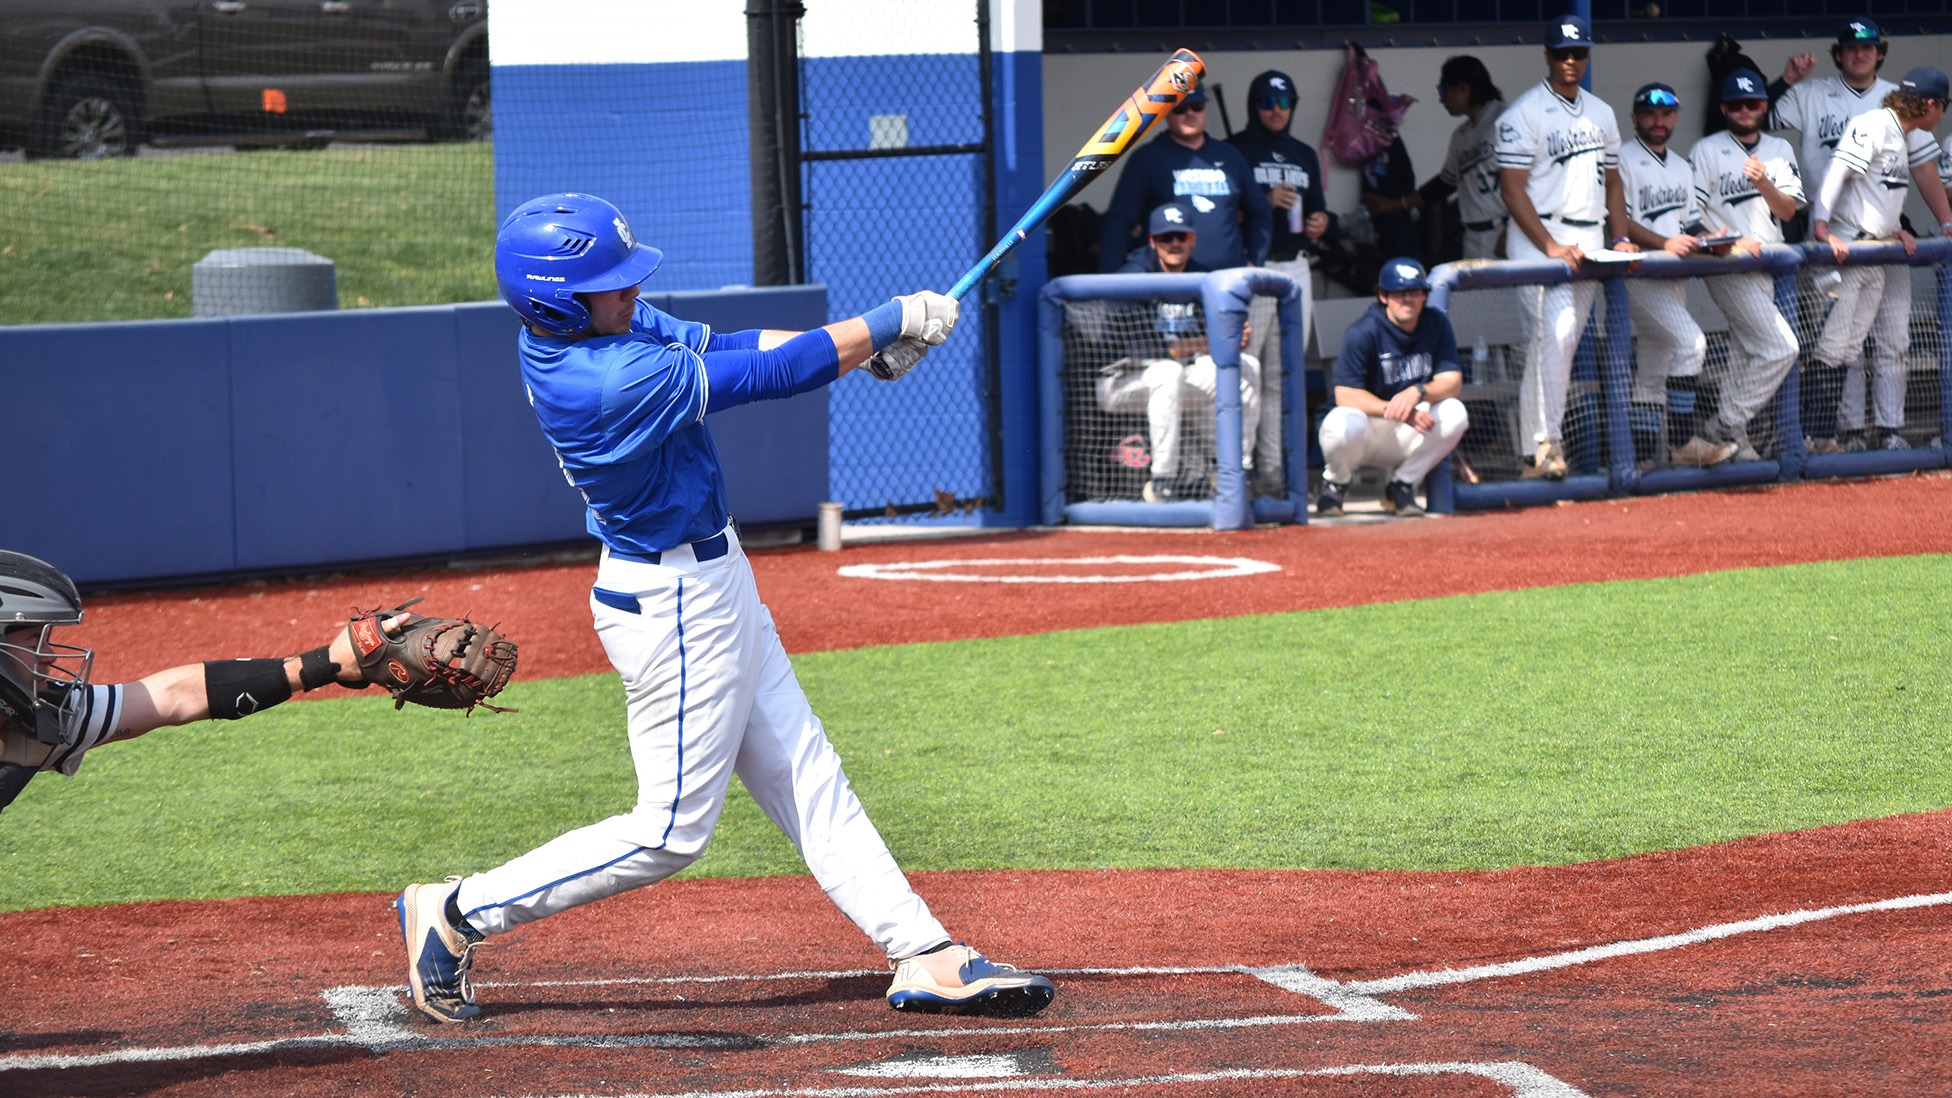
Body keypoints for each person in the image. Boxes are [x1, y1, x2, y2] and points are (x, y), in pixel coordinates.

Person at [394, 192, 1056, 1025]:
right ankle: (456, 913)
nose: (632, 293)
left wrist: (866, 349)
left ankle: (923, 951)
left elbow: (737, 344)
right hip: (671, 605)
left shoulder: (603, 327)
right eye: (612, 284)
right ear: (557, 299)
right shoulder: (604, 378)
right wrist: (892, 317)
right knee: (669, 831)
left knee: (807, 773)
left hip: (714, 579)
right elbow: (771, 374)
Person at [0, 549, 383, 814]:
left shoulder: (39, 715)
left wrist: (324, 664)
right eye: (35, 641)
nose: (49, 657)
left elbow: (173, 697)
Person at [1770, 20, 1952, 451]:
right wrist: (1818, 225)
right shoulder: (1865, 118)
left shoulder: (1901, 123)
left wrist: (1918, 227)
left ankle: (1872, 431)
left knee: (1876, 341)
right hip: (1843, 241)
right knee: (1837, 345)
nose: (1860, 53)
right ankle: (1828, 433)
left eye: (1869, 46)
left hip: (1880, 240)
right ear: (1929, 104)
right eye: (1851, 46)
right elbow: (1836, 172)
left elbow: (1912, 177)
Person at [1495, 15, 1630, 478]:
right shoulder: (1523, 113)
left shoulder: (1602, 112)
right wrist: (1550, 245)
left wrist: (1621, 235)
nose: (1571, 61)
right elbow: (1511, 189)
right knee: (1556, 332)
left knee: (1563, 342)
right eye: (1562, 53)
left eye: (1579, 53)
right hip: (1540, 239)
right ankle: (1543, 443)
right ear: (1548, 56)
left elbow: (1613, 181)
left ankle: (1538, 447)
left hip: (1590, 236)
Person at [1097, 201, 1262, 503]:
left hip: (1173, 380)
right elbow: (1157, 351)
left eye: (1181, 237)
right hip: (1121, 382)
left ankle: (1234, 470)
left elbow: (1221, 337)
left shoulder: (1202, 277)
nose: (1174, 244)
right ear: (1152, 241)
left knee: (1247, 366)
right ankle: (1162, 480)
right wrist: (1214, 341)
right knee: (1167, 371)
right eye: (1165, 238)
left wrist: (1238, 337)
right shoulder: (1133, 277)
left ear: (1193, 240)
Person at [1686, 70, 1806, 461]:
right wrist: (1730, 241)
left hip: (1769, 263)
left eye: (1751, 103)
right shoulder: (1707, 149)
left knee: (1746, 352)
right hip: (1729, 266)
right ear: (1723, 109)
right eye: (1734, 104)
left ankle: (1733, 441)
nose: (1743, 110)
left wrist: (1764, 182)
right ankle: (1722, 424)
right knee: (1781, 348)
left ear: (1763, 107)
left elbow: (1788, 210)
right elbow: (1691, 216)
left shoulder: (1778, 150)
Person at [1615, 83, 1736, 468]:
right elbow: (1621, 221)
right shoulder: (1622, 160)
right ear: (1634, 118)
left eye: (1666, 114)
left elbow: (1690, 222)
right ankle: (1684, 442)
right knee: (1692, 343)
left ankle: (1643, 458)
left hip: (1673, 278)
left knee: (1654, 368)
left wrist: (1711, 239)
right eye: (1649, 114)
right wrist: (1664, 242)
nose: (1658, 121)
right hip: (1640, 275)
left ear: (1676, 117)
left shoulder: (1682, 166)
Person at [1227, 68, 1330, 495]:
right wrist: (1262, 202)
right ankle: (1244, 468)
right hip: (1257, 265)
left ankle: (1276, 471)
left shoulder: (1304, 153)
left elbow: (1321, 210)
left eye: (1283, 102)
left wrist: (1323, 223)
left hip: (1297, 266)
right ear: (1254, 106)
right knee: (1248, 370)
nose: (1275, 110)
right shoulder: (1236, 149)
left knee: (1284, 374)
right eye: (1267, 103)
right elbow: (1223, 216)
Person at [1316, 258, 1469, 517]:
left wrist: (1418, 391)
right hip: (1365, 428)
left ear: (1424, 296)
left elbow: (1452, 382)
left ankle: (1401, 485)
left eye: (1414, 292)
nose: (1407, 300)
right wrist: (1396, 409)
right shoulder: (1364, 330)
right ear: (1384, 296)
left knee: (1454, 411)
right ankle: (1336, 483)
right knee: (1341, 422)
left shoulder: (1436, 323)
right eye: (1399, 293)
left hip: (1408, 428)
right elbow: (1345, 394)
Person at [1097, 83, 1272, 273]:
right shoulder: (1147, 158)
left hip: (1225, 282)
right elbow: (1119, 222)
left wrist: (1255, 261)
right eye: (1180, 109)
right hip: (1167, 284)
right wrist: (1108, 279)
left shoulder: (1230, 156)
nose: (1190, 114)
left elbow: (1260, 212)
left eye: (1197, 107)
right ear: (1165, 113)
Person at [1386, 56, 1508, 261]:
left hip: (1504, 231)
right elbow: (1445, 183)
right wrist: (1394, 205)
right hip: (1472, 236)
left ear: (1463, 88)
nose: (1441, 99)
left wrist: (1514, 229)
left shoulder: (1506, 120)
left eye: (1443, 90)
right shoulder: (1461, 136)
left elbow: (1532, 180)